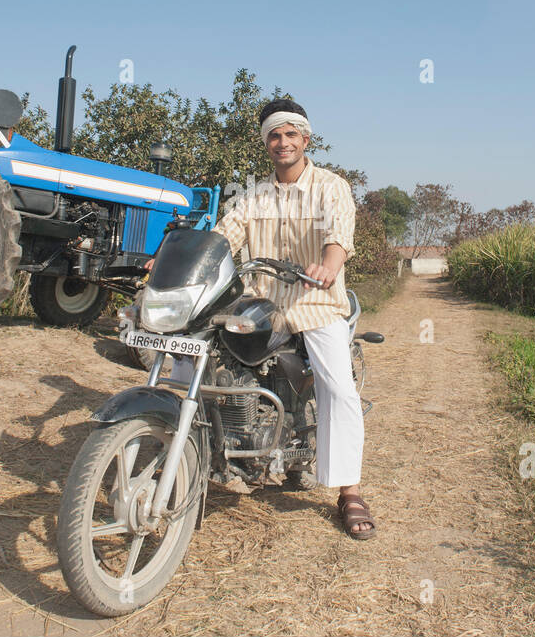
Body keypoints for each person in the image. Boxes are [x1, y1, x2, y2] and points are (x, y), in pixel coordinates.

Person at [149, 99, 376, 539]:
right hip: (259, 304)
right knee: (188, 350)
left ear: (305, 139)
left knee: (338, 388)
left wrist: (329, 264)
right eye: (275, 135)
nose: (283, 142)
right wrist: (175, 261)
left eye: (291, 134)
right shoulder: (252, 196)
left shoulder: (331, 187)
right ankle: (186, 449)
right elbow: (221, 236)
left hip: (315, 303)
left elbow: (339, 235)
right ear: (266, 144)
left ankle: (349, 489)